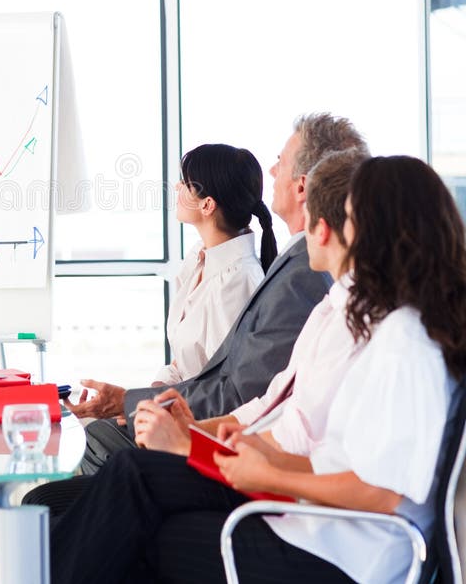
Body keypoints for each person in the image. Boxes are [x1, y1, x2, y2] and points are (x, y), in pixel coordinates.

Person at [43, 155, 466, 584]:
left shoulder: (405, 342)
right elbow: (321, 445)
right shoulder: (386, 325)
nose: (345, 231)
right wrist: (232, 448)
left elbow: (382, 492)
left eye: (352, 219)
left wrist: (266, 472)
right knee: (133, 501)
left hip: (341, 555)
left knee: (142, 523)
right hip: (315, 526)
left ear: (378, 232)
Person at [74, 113, 368, 474]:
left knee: (98, 451)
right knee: (93, 445)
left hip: (224, 441)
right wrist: (157, 408)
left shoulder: (292, 276)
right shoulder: (279, 268)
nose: (272, 171)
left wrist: (157, 416)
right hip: (210, 426)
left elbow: (243, 394)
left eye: (280, 162)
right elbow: (260, 397)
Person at [151, 143, 277, 387]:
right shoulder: (199, 256)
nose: (177, 187)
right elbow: (186, 362)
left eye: (186, 184)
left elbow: (223, 387)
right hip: (177, 400)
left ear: (207, 205)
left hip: (197, 409)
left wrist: (146, 401)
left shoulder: (238, 282)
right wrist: (150, 395)